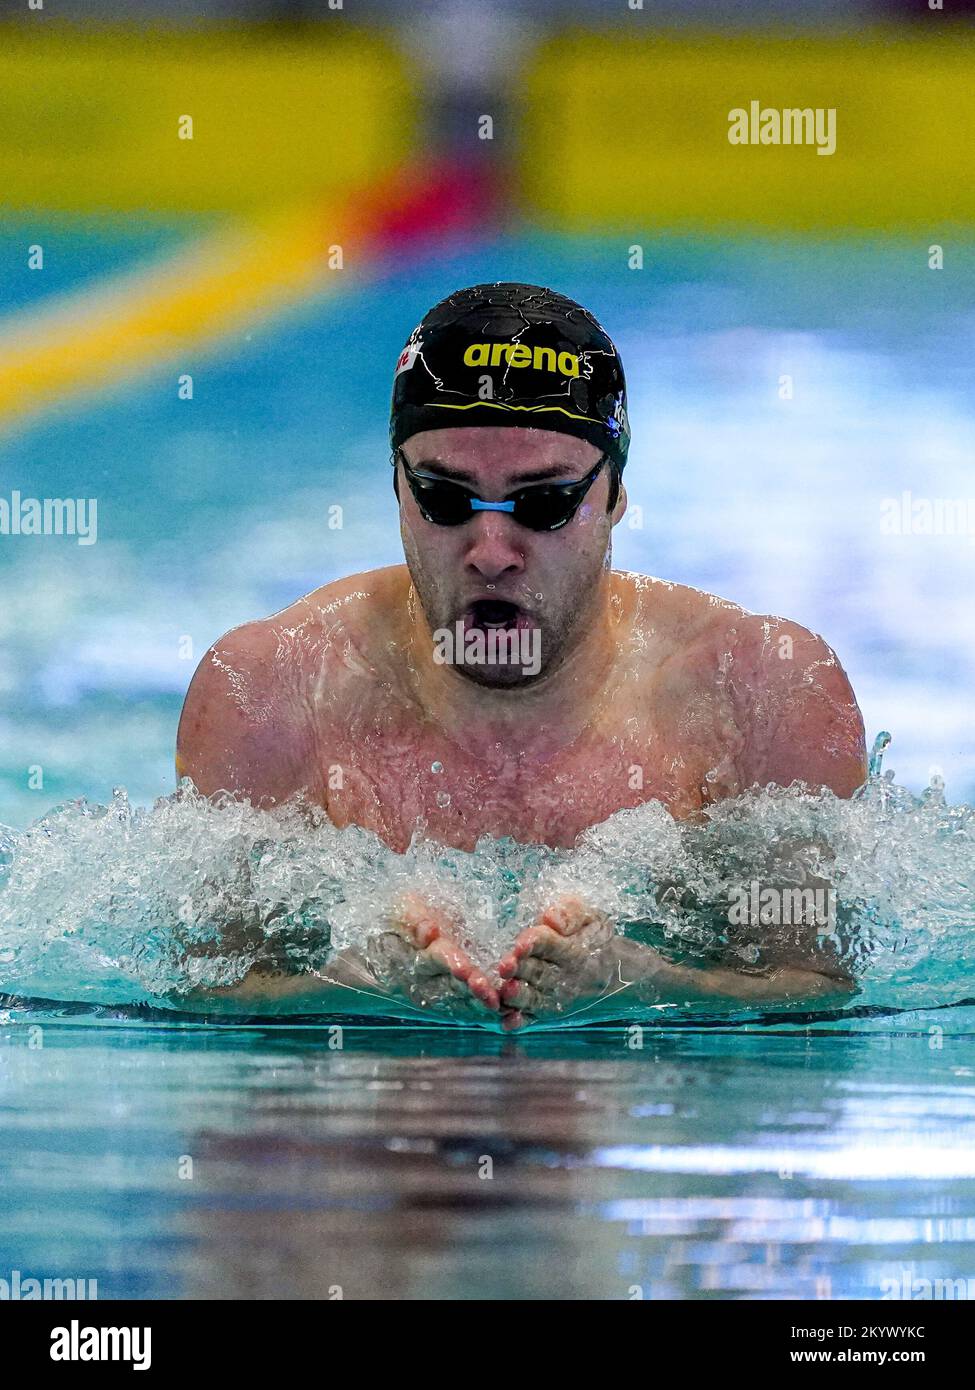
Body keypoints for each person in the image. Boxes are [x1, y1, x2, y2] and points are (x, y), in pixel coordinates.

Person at [176, 282, 866, 1028]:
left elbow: (816, 1009)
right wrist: (339, 990)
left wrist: (652, 984)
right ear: (396, 489)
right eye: (445, 499)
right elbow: (204, 1010)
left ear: (615, 496)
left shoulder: (761, 693)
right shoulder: (269, 694)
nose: (491, 553)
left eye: (541, 504)